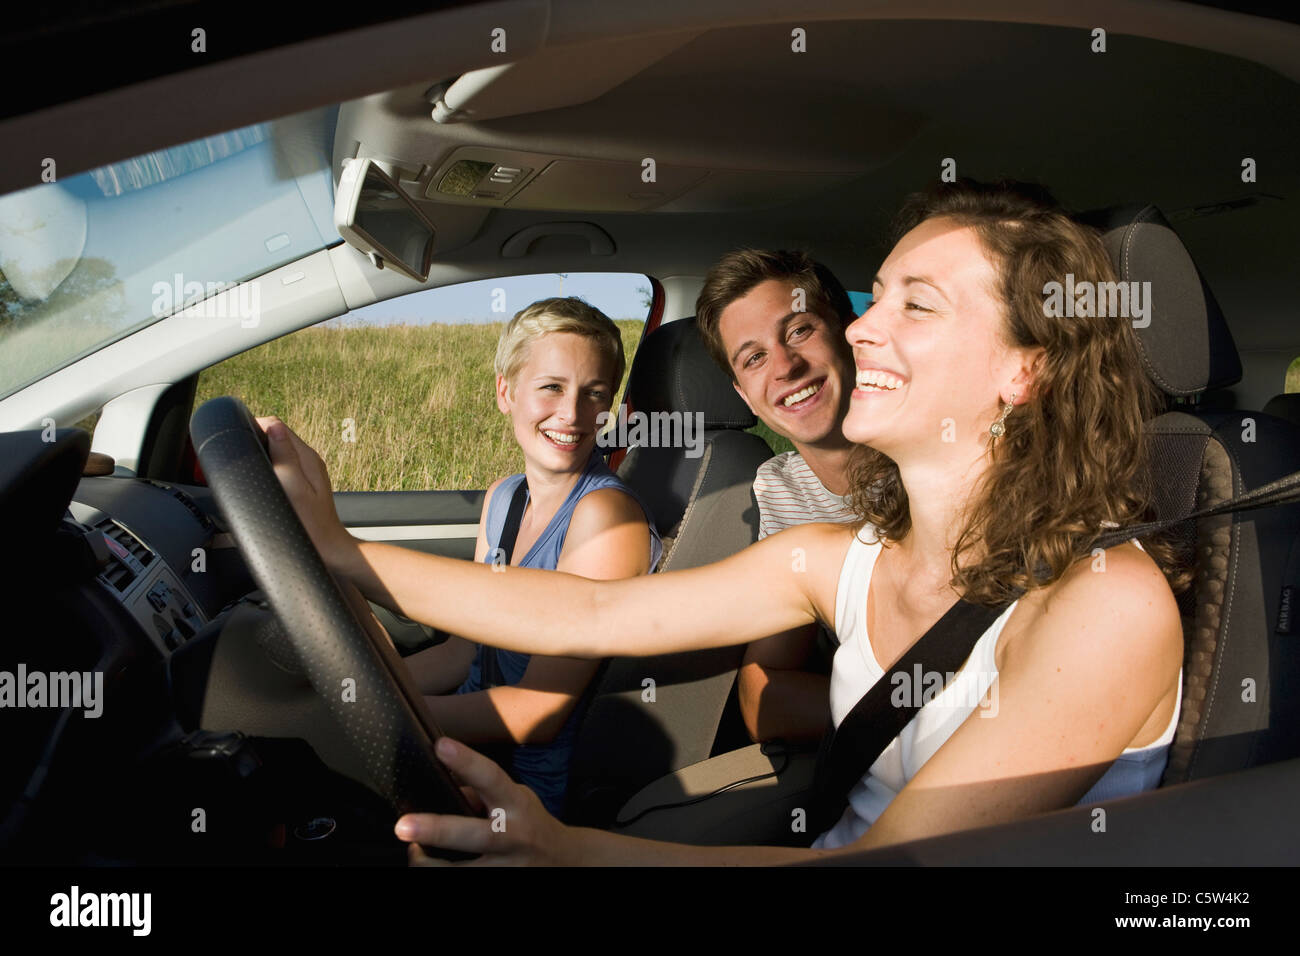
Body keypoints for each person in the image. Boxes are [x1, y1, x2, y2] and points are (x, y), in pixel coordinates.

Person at [265, 180, 1188, 863]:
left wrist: (562, 849)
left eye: (918, 304)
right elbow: (585, 616)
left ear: (1023, 372)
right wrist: (338, 550)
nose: (861, 329)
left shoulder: (1105, 604)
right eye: (877, 294)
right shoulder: (836, 558)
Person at [259, 296, 661, 818]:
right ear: (505, 391)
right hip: (462, 747)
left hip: (521, 792)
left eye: (595, 394)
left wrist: (385, 718)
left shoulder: (606, 515)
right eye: (552, 387)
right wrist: (361, 692)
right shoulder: (503, 496)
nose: (572, 414)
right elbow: (463, 654)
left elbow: (537, 712)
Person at [695, 249, 860, 742]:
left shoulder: (935, 454)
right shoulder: (781, 487)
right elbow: (763, 696)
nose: (785, 366)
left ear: (850, 332)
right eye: (755, 358)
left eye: (799, 331)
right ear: (744, 394)